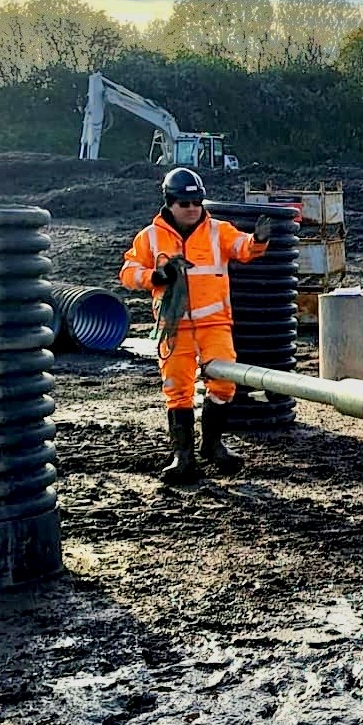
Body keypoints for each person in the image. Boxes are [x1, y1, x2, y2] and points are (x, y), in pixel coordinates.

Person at [119, 168, 271, 486]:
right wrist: (154, 277)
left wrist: (259, 240)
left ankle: (212, 444)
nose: (192, 208)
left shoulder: (218, 230)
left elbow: (243, 248)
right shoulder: (150, 236)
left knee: (225, 383)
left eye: (196, 202)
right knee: (178, 390)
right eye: (184, 202)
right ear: (169, 203)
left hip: (214, 322)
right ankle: (183, 456)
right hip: (174, 328)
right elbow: (128, 272)